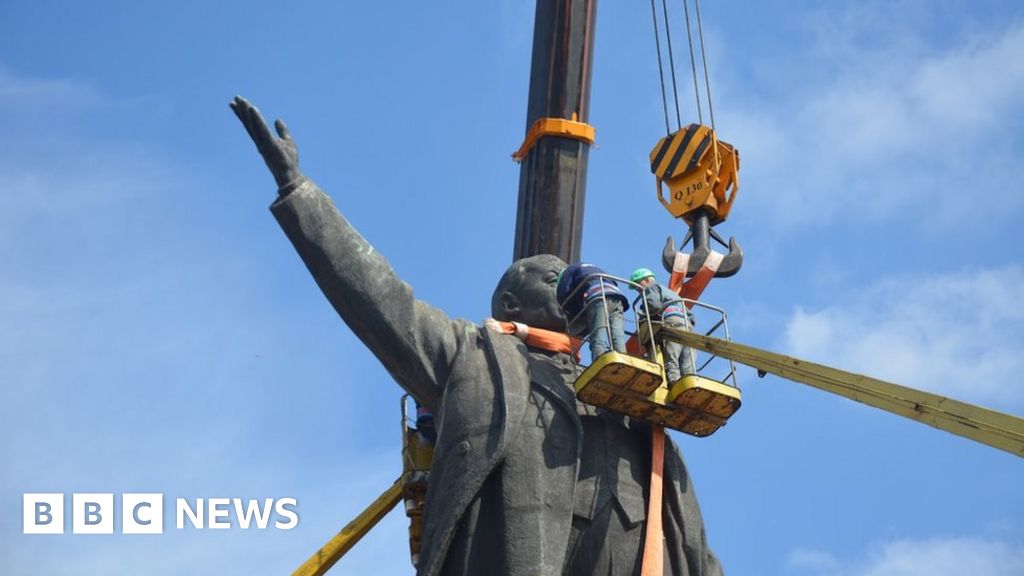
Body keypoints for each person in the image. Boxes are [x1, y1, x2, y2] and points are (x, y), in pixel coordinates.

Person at [230, 96, 723, 576]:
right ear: (511, 304)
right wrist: (298, 190)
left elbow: (693, 541)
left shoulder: (624, 380)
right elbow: (380, 302)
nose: (571, 283)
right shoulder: (477, 357)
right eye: (554, 279)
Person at [631, 268, 697, 384]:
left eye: (637, 284)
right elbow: (691, 316)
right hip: (687, 324)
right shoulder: (671, 294)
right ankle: (690, 384)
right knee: (688, 361)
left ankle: (674, 384)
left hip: (673, 322)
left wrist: (644, 316)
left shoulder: (651, 288)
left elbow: (654, 306)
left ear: (646, 280)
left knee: (671, 357)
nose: (637, 289)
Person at [556, 262, 629, 359]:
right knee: (617, 334)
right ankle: (622, 357)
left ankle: (599, 359)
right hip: (617, 296)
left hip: (597, 296)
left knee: (597, 333)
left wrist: (570, 313)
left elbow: (564, 292)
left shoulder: (567, 272)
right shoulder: (593, 268)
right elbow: (613, 282)